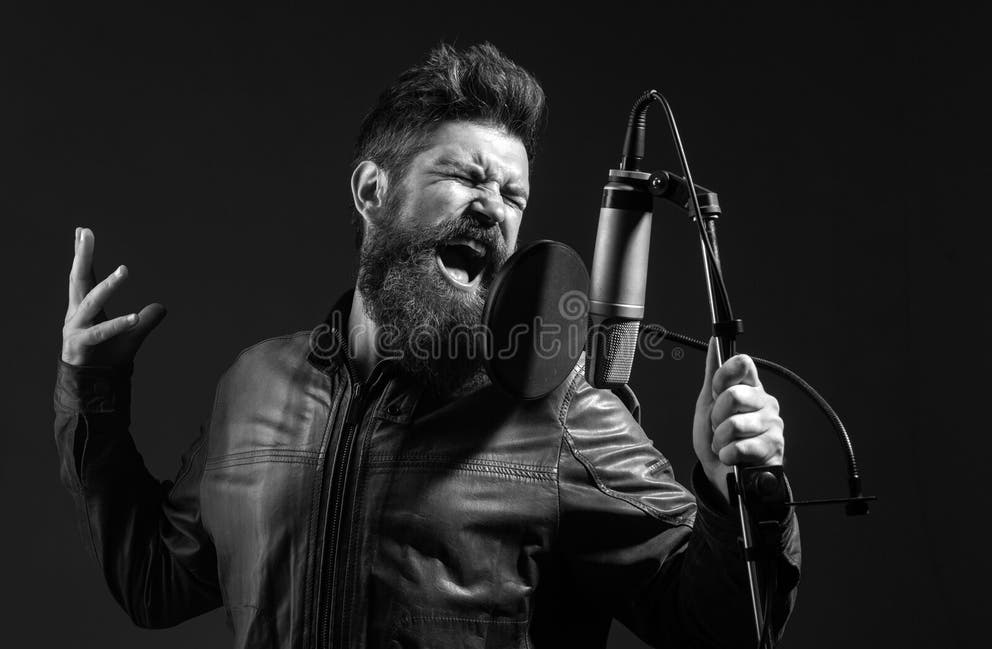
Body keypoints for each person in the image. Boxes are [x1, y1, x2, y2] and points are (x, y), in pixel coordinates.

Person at [54, 43, 800, 649]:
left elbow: (720, 627)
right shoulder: (253, 384)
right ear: (372, 191)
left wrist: (732, 487)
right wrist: (91, 393)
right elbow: (155, 580)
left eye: (514, 196)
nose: (493, 209)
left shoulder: (559, 407)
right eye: (467, 177)